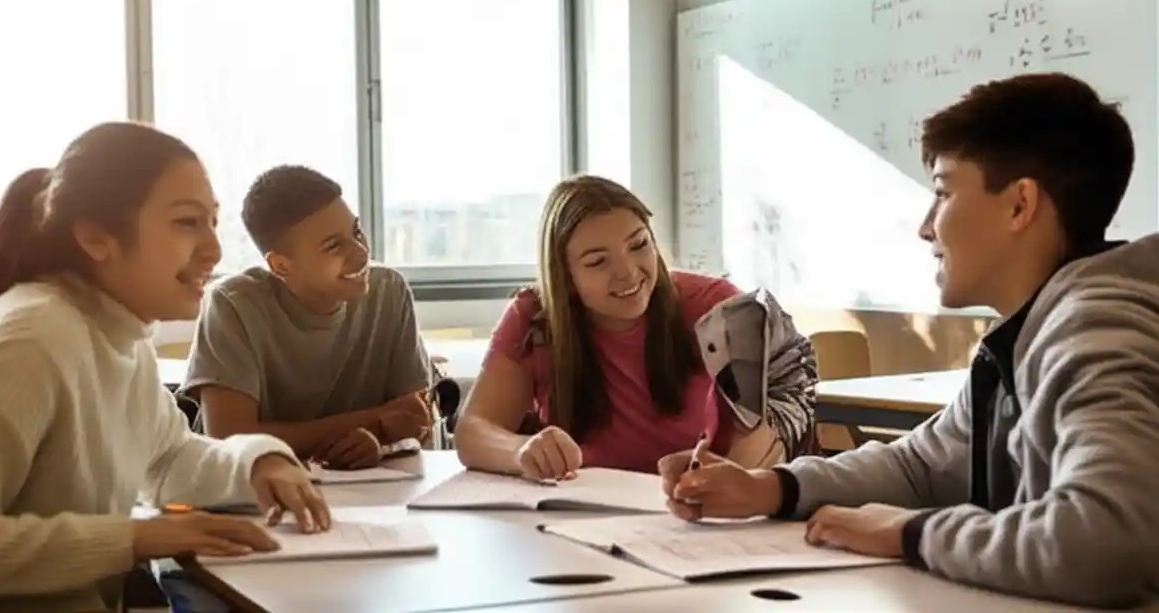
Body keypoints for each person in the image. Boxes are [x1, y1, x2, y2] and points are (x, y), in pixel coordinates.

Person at [660, 73, 1159, 609]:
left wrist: (910, 535)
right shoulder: (1028, 331)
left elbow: (1109, 542)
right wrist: (772, 488)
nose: (926, 227)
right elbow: (922, 467)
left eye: (943, 192)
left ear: (1020, 206)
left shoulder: (1093, 330)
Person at [0, 123, 331, 613]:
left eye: (213, 222)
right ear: (97, 238)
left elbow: (168, 459)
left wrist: (259, 460)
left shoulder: (119, 334)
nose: (214, 250)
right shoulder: (38, 334)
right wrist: (136, 538)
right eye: (186, 222)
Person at [455, 174, 817, 480]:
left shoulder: (714, 306)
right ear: (565, 278)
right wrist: (521, 451)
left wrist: (741, 464)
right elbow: (472, 432)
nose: (628, 272)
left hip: (702, 515)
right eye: (598, 262)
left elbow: (785, 410)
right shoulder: (534, 317)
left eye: (639, 245)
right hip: (580, 520)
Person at [180, 165, 434, 470]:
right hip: (254, 495)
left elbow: (414, 419)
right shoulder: (233, 305)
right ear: (282, 266)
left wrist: (376, 439)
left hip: (365, 494)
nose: (361, 253)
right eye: (334, 245)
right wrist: (373, 419)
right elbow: (230, 439)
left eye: (356, 231)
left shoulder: (389, 291)